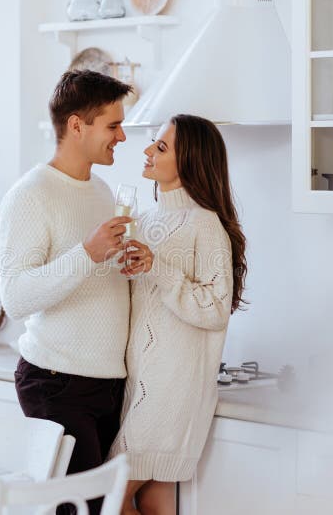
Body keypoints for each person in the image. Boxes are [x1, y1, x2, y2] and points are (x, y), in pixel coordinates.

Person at [0, 70, 155, 514]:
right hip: (57, 382)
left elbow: (99, 281)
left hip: (108, 384)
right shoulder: (30, 196)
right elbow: (15, 297)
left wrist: (134, 265)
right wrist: (87, 252)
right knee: (85, 510)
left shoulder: (103, 192)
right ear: (76, 126)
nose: (122, 136)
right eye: (113, 125)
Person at [109, 114, 248, 515]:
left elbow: (216, 308)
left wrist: (158, 268)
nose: (148, 150)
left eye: (161, 147)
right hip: (141, 382)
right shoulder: (148, 221)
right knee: (154, 500)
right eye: (154, 142)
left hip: (172, 390)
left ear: (189, 162)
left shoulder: (205, 225)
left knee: (113, 494)